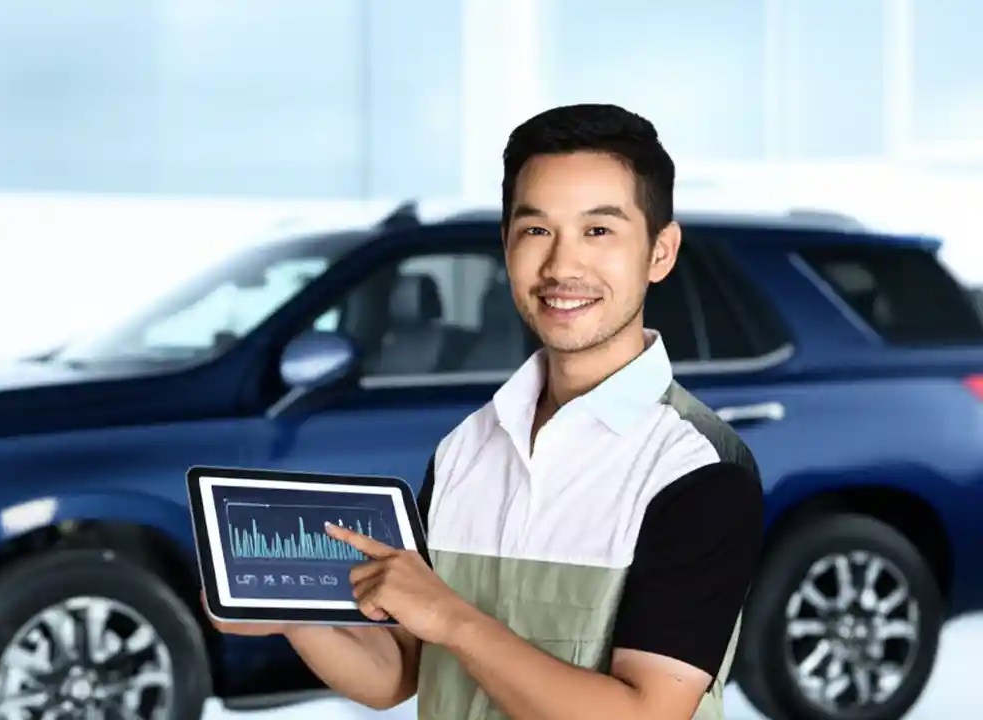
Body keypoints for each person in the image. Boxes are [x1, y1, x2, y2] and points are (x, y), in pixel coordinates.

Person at [209, 103, 765, 720]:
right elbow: (399, 673)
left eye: (598, 231)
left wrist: (452, 618)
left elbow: (646, 715)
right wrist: (294, 614)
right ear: (506, 246)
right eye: (536, 230)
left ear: (660, 252)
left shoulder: (698, 469)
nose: (561, 266)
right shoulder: (466, 448)